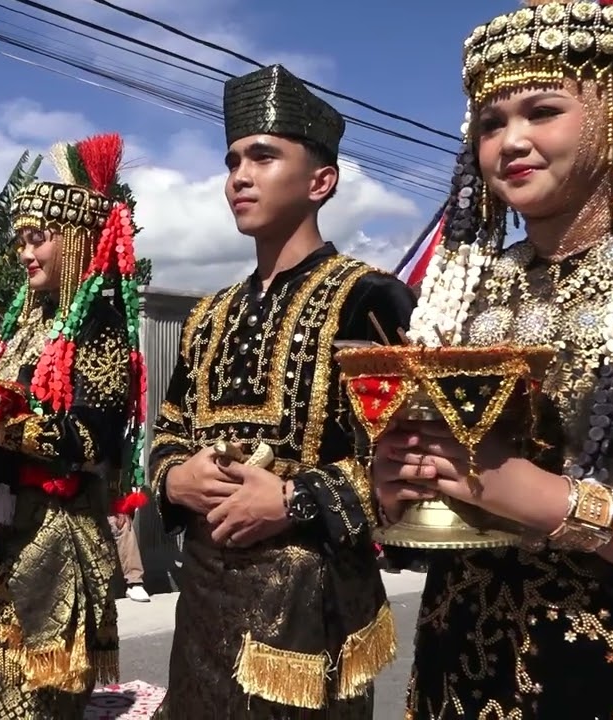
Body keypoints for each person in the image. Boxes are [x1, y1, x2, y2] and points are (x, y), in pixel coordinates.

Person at [373, 2, 613, 717]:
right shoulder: (457, 296)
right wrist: (396, 491)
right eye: (489, 123)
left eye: (542, 110)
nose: (511, 141)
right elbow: (430, 530)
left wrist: (551, 502)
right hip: (461, 672)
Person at [149, 64, 415, 719]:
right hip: (204, 607)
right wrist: (174, 479)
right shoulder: (209, 313)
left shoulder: (372, 299)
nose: (238, 175)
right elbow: (168, 428)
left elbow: (410, 462)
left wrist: (295, 498)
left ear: (321, 181)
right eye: (233, 159)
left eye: (263, 157)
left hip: (313, 611)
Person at [0, 133, 148, 718]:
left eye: (39, 239)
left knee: (33, 701)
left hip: (53, 540)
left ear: (81, 240)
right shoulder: (24, 323)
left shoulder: (100, 326)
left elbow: (90, 442)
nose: (25, 254)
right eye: (21, 241)